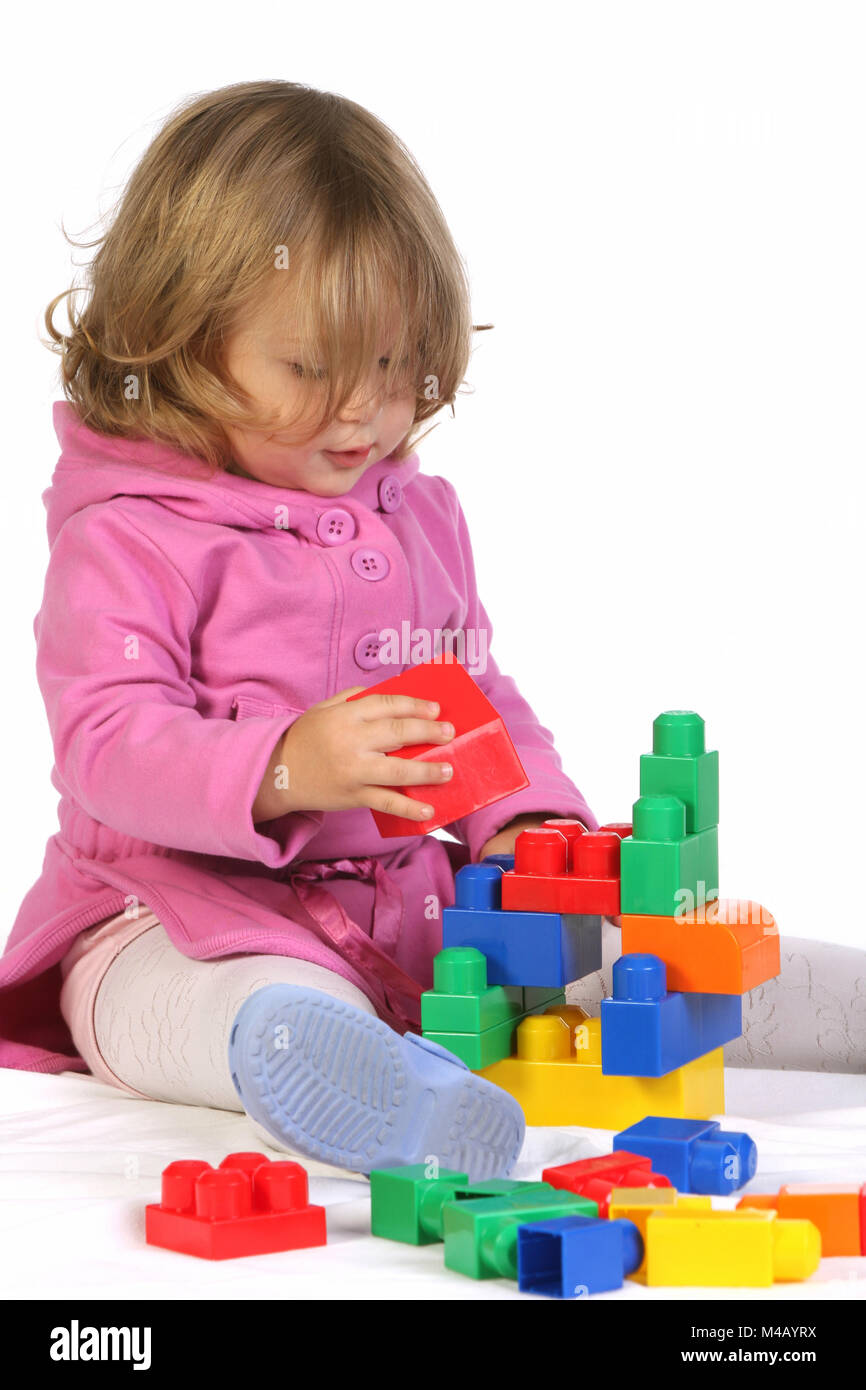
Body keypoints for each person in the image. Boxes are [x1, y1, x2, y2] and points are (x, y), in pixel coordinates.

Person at [0, 80, 598, 1179]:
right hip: (165, 919)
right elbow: (108, 744)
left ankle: (769, 988)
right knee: (239, 999)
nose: (362, 412)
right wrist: (281, 765)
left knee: (608, 957)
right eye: (307, 369)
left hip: (404, 919)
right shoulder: (127, 536)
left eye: (386, 363)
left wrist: (523, 824)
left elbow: (473, 694)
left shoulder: (413, 513)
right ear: (176, 337)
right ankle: (359, 1089)